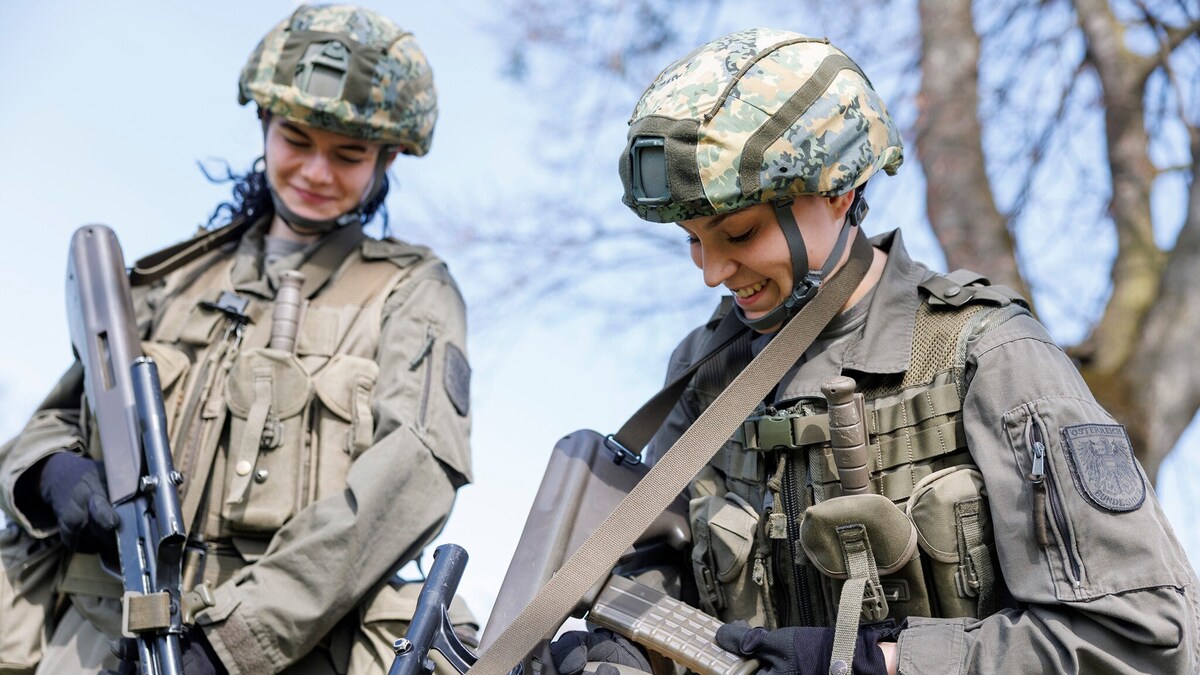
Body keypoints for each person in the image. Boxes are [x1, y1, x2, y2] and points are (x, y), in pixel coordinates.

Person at [553, 28, 1198, 675]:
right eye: (692, 239)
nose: (713, 270)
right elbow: (656, 574)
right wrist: (629, 646)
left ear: (836, 190)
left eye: (739, 231)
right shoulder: (708, 374)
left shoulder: (988, 354)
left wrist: (886, 664)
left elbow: (1143, 639)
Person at [0, 5, 473, 674]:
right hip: (94, 628)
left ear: (388, 157)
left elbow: (413, 474)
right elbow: (52, 419)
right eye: (296, 139)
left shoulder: (411, 290)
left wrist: (231, 643)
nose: (315, 171)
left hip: (276, 648)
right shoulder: (172, 277)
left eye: (348, 154)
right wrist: (52, 472)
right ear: (263, 122)